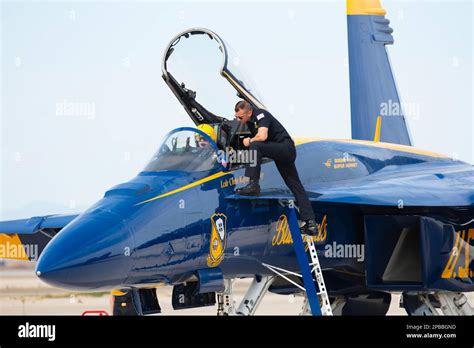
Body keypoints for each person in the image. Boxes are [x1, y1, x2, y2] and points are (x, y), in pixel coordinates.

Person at [234, 100, 317, 234]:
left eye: (240, 117)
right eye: (236, 117)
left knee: (255, 145)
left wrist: (249, 141)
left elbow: (262, 136)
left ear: (249, 112)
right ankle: (310, 223)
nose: (238, 120)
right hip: (279, 151)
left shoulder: (261, 115)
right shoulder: (250, 121)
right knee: (295, 186)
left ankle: (253, 185)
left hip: (286, 148)